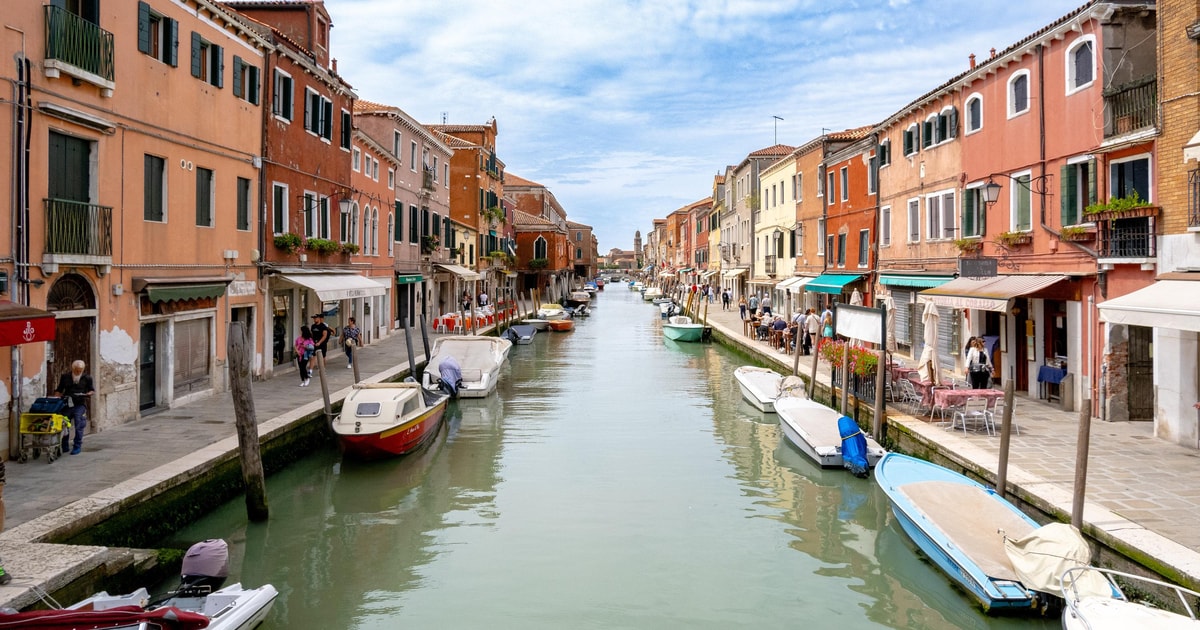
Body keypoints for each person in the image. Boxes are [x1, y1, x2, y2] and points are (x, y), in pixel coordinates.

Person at [54, 360, 94, 455]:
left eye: (80, 370)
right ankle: (64, 445)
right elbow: (59, 389)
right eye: (77, 370)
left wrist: (88, 394)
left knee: (79, 425)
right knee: (64, 425)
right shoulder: (65, 377)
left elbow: (92, 390)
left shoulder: (87, 378)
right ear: (73, 368)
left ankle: (77, 446)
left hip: (79, 404)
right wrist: (56, 398)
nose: (78, 372)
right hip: (67, 404)